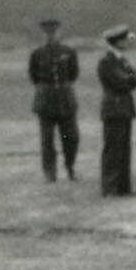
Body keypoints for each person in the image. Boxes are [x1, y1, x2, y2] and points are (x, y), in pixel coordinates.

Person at [29, 19, 81, 182]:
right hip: (45, 100)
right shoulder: (37, 53)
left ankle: (70, 166)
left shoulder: (69, 52)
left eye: (54, 32)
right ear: (43, 34)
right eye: (47, 33)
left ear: (60, 33)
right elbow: (34, 76)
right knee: (47, 140)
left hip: (65, 99)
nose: (51, 36)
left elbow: (73, 73)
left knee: (71, 137)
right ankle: (50, 173)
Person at [94, 26, 136, 196]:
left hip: (124, 108)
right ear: (116, 42)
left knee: (124, 148)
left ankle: (123, 187)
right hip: (114, 108)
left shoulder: (122, 60)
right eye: (124, 40)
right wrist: (130, 79)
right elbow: (120, 82)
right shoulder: (107, 61)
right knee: (112, 149)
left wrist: (129, 79)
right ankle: (110, 188)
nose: (127, 43)